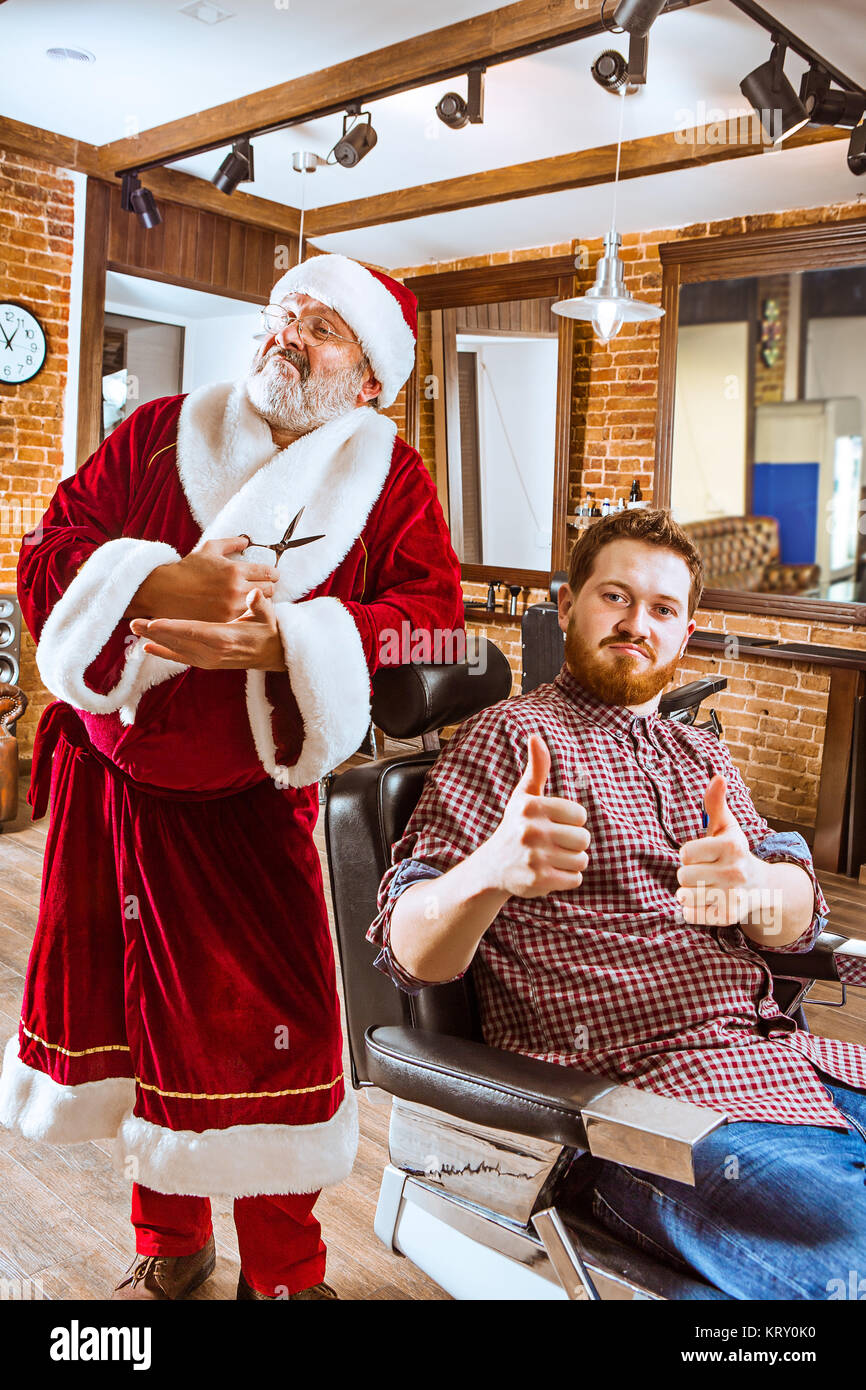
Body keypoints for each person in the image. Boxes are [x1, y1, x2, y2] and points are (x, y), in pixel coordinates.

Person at [0, 254, 464, 1301]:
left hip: (255, 808)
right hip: (111, 791)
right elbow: (47, 546)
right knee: (131, 1023)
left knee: (272, 1032)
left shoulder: (389, 481)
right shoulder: (162, 427)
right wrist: (155, 576)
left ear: (371, 379)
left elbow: (433, 630)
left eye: (325, 326)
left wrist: (287, 646)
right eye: (284, 311)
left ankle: (288, 1273)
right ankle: (167, 1242)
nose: (289, 332)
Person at [368, 508, 866, 1300]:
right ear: (567, 607)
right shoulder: (510, 737)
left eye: (663, 609)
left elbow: (793, 903)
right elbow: (408, 946)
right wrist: (489, 871)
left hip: (791, 1062)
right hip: (647, 1111)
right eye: (616, 597)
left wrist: (757, 885)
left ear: (687, 634)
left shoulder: (697, 749)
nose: (638, 622)